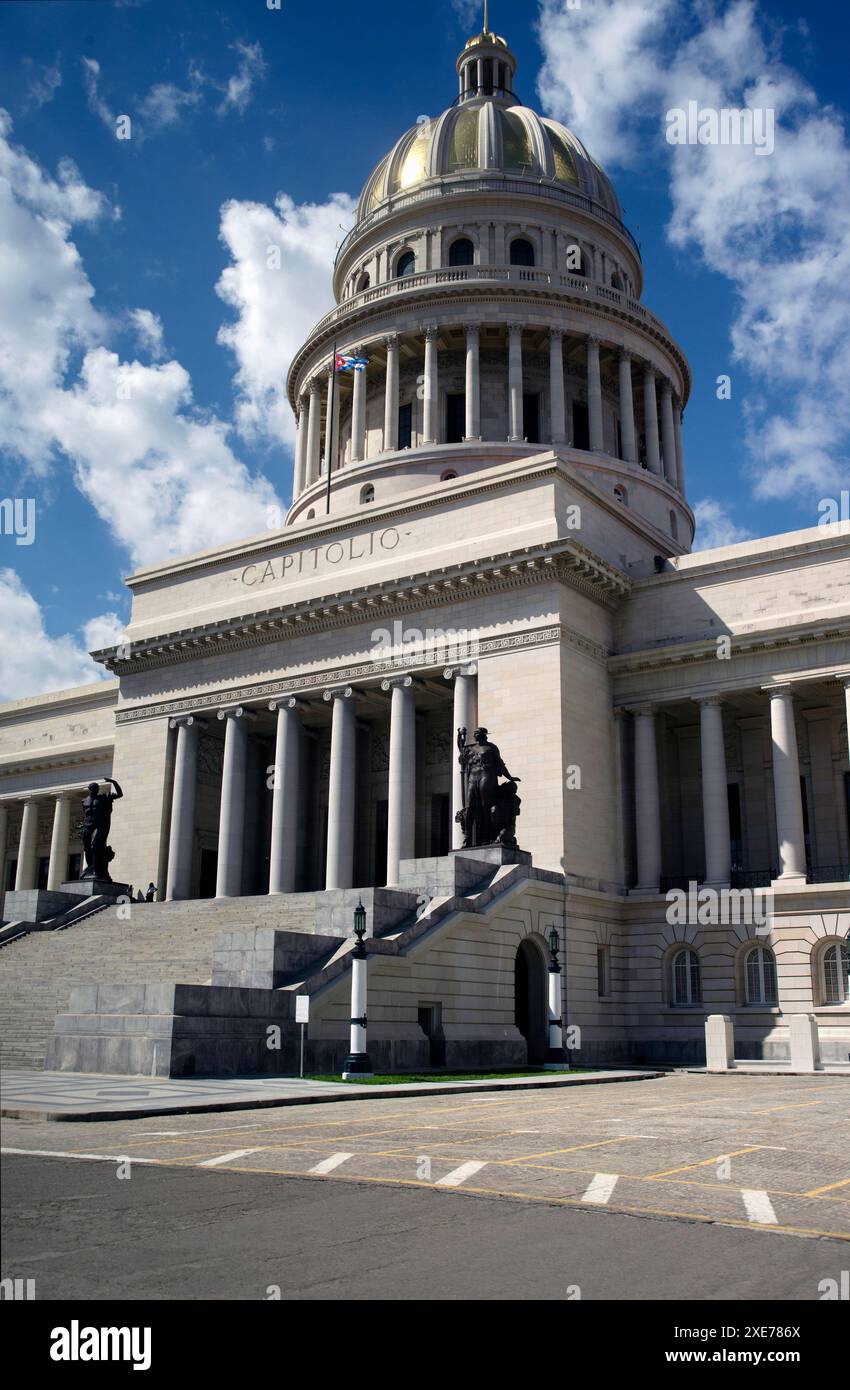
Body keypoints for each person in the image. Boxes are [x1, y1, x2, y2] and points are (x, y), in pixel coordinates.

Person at [80, 778, 123, 881]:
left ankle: (96, 870)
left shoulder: (103, 798)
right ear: (90, 790)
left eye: (96, 789)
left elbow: (119, 794)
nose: (96, 790)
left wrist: (114, 783)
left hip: (99, 826)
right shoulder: (84, 801)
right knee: (87, 849)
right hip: (87, 827)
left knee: (94, 846)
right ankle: (90, 868)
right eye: (94, 789)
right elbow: (86, 815)